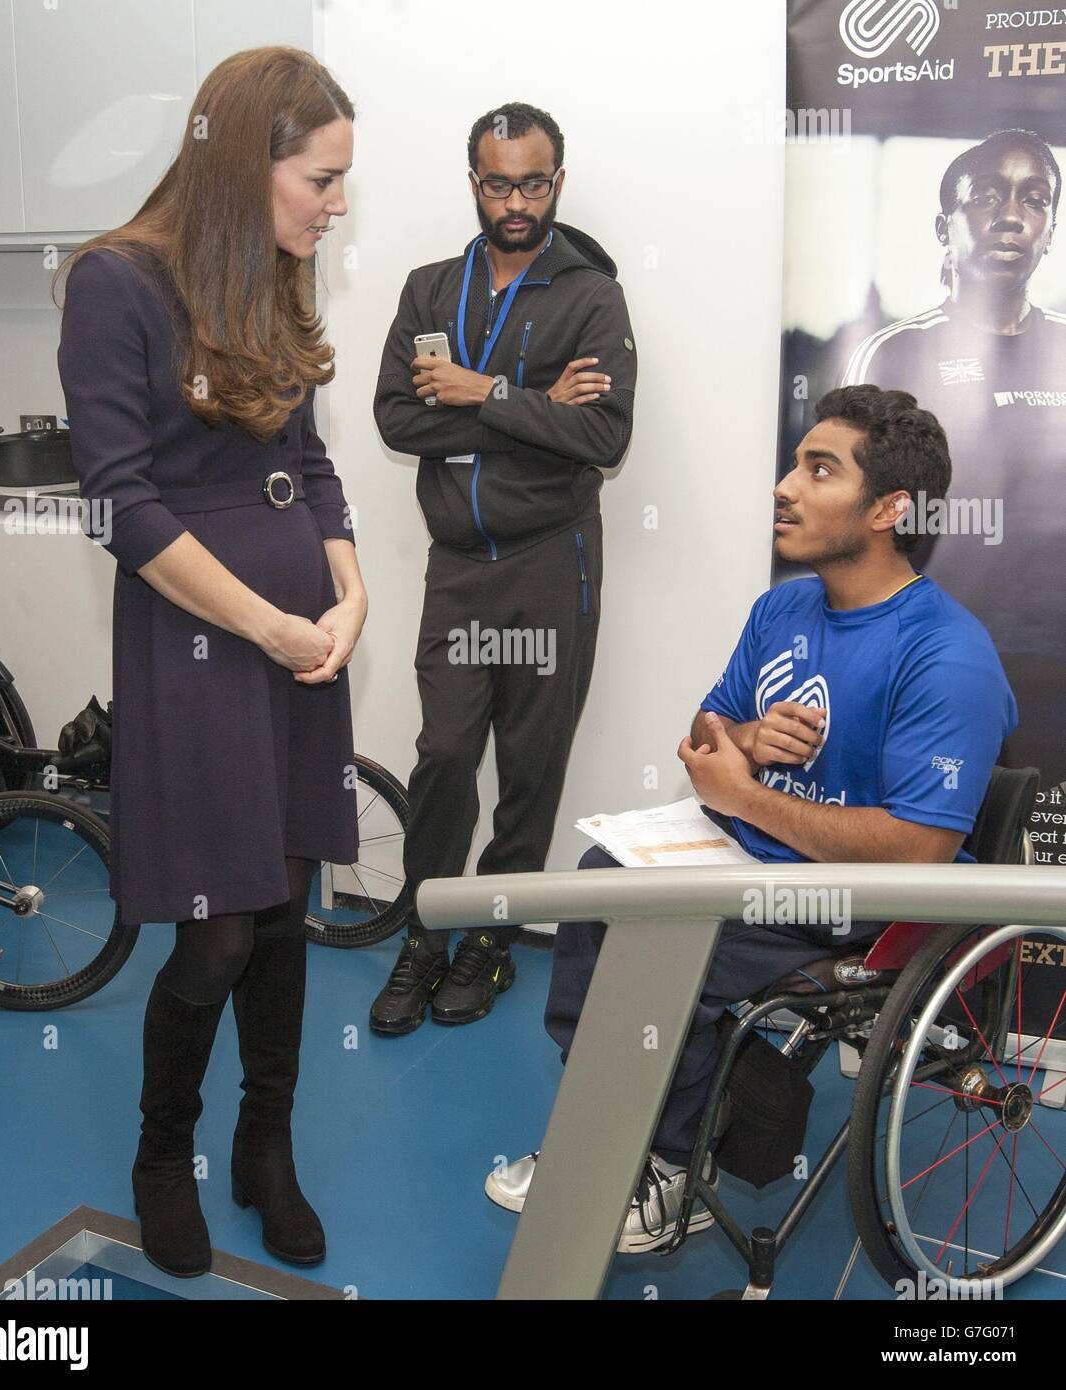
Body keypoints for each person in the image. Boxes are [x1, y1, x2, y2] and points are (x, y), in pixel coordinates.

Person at [486, 385, 1017, 1253]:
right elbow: (701, 735)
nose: (784, 486)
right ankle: (609, 1132)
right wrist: (744, 738)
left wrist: (745, 795)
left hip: (856, 903)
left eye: (818, 470)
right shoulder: (782, 609)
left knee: (665, 940)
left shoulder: (944, 652)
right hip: (753, 857)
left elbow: (919, 850)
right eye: (792, 463)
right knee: (596, 884)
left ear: (889, 508)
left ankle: (664, 1167)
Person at [56, 47, 367, 1278]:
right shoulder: (116, 284)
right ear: (249, 167)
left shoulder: (275, 277)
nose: (335, 205)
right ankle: (159, 1152)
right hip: (201, 647)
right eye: (322, 179)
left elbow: (320, 465)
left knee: (285, 912)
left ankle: (265, 1148)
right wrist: (271, 623)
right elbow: (122, 506)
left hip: (302, 646)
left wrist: (350, 593)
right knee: (216, 932)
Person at [369, 102, 637, 1034]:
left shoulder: (591, 295)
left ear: (557, 180)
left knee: (529, 764)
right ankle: (423, 930)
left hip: (548, 560)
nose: (515, 200)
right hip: (457, 564)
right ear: (472, 181)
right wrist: (532, 408)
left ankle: (490, 935)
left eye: (533, 181)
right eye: (496, 181)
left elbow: (601, 437)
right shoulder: (429, 288)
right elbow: (397, 421)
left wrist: (482, 393)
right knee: (444, 754)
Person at [840, 128, 1065, 792]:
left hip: (1053, 665)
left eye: (1034, 198)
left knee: (1038, 862)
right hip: (931, 660)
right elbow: (849, 515)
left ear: (1049, 228)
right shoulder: (891, 357)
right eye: (987, 196)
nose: (1009, 215)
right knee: (925, 858)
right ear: (945, 226)